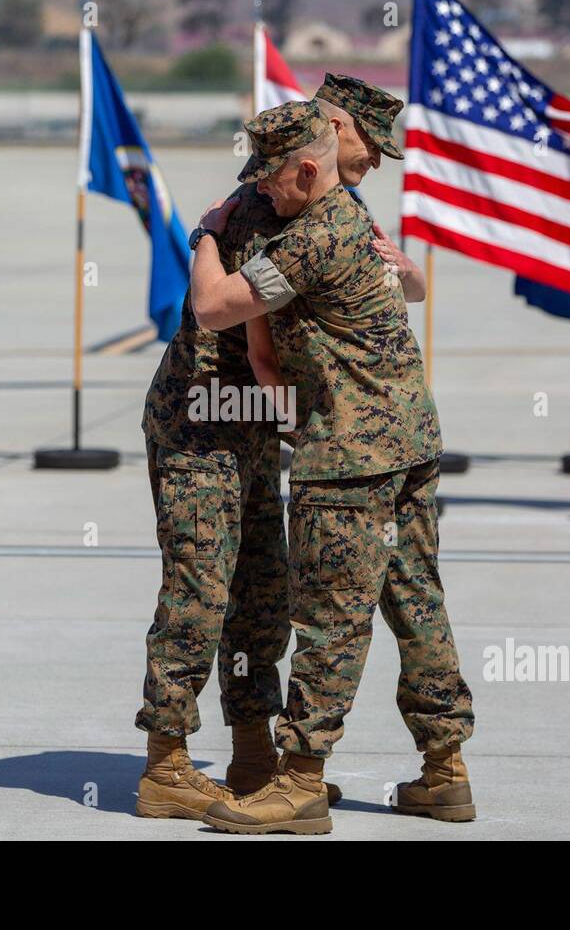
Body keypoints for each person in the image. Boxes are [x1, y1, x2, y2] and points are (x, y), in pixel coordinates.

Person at [189, 101, 476, 835]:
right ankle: (445, 772)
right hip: (409, 440)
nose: (263, 193)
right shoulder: (349, 215)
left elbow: (214, 309)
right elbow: (400, 290)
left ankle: (302, 781)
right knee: (417, 603)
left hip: (349, 457)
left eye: (273, 182)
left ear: (307, 170)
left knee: (328, 621)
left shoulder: (313, 233)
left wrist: (208, 235)